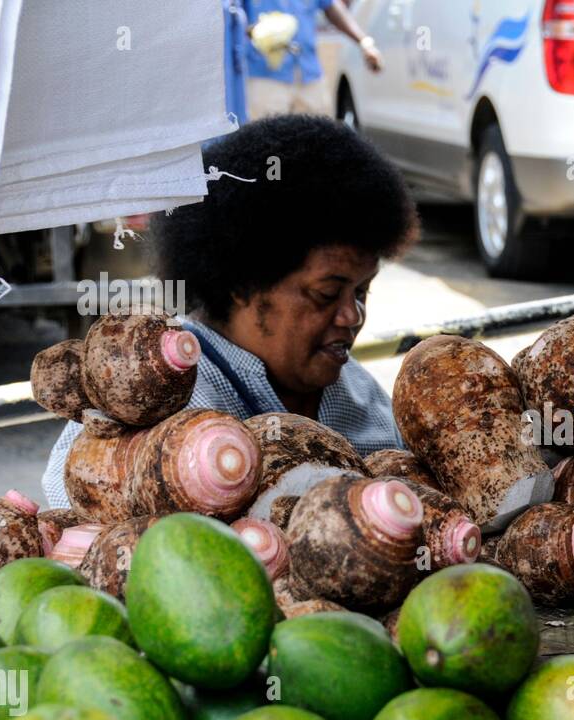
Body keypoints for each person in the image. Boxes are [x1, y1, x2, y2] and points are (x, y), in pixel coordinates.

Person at [41, 114, 419, 508]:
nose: (352, 316)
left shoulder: (362, 398)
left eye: (363, 291)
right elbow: (74, 514)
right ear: (243, 285)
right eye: (326, 294)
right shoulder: (152, 399)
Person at [244, 0, 382, 121]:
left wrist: (363, 42)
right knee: (268, 141)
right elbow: (234, 18)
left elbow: (331, 7)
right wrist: (256, 32)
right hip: (266, 74)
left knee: (319, 137)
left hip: (309, 73)